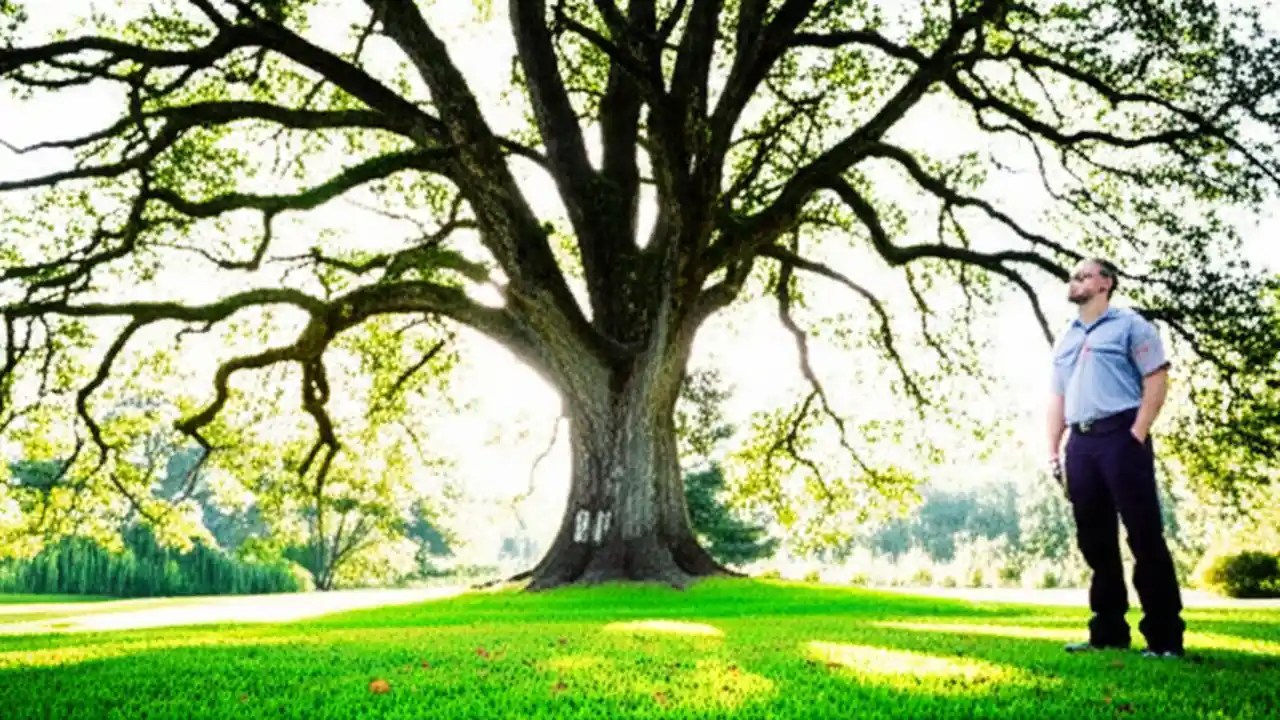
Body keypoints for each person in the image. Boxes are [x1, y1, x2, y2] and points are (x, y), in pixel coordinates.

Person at [1046, 258, 1185, 658]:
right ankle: (1107, 632)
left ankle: (1164, 639)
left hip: (1121, 436)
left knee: (1145, 537)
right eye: (1073, 276)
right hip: (1081, 444)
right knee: (1095, 541)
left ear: (1106, 283)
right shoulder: (1066, 337)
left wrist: (1137, 434)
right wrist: (1053, 450)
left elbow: (1155, 378)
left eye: (1084, 274)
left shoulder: (1131, 325)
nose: (1075, 280)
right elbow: (1057, 396)